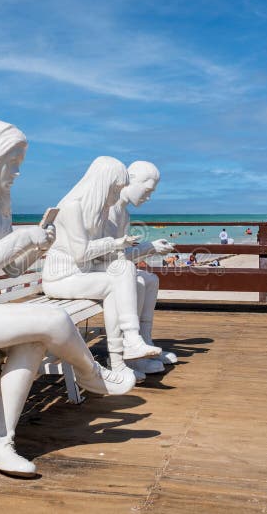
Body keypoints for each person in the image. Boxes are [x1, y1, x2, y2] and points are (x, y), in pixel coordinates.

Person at [0, 119, 135, 478]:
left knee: (33, 341)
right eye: (12, 161)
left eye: (19, 162)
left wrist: (38, 245)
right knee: (53, 320)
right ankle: (91, 374)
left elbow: (13, 268)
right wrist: (24, 236)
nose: (17, 171)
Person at [42, 156, 163, 371]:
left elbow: (100, 256)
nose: (116, 196)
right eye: (116, 190)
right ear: (103, 184)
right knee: (116, 283)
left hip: (83, 272)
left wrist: (125, 248)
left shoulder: (98, 210)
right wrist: (116, 243)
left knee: (126, 270)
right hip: (62, 278)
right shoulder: (72, 207)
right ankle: (119, 359)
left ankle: (130, 344)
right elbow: (81, 253)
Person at [102, 161, 177, 376]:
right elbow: (109, 257)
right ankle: (130, 354)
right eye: (147, 190)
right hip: (98, 271)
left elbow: (121, 255)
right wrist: (148, 248)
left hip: (113, 268)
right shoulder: (109, 211)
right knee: (139, 281)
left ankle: (145, 343)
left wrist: (150, 248)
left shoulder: (123, 214)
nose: (148, 197)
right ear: (131, 180)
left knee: (151, 279)